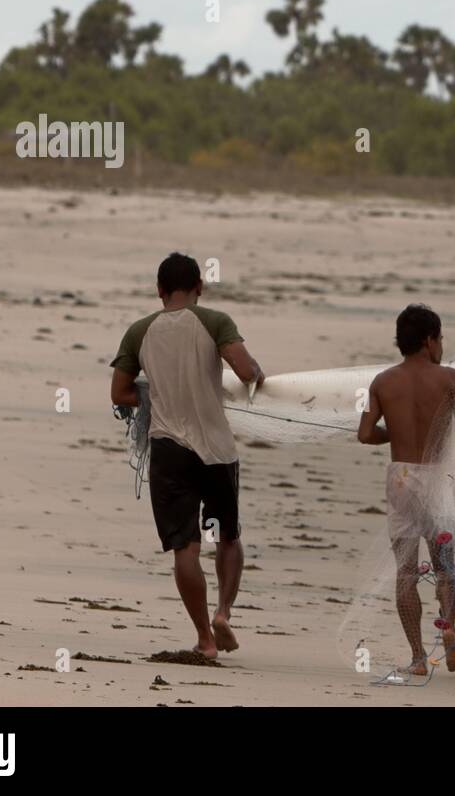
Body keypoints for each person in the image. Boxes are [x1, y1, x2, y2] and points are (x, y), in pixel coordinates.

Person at [109, 252, 263, 659]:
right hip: (215, 449)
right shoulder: (215, 321)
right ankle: (224, 612)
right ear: (199, 287)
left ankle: (205, 639)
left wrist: (152, 394)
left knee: (186, 548)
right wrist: (256, 373)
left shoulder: (139, 332)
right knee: (226, 536)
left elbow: (120, 394)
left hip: (169, 449)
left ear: (160, 291)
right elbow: (246, 371)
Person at [358, 304, 455, 676]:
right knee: (445, 568)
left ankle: (418, 657)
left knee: (406, 572)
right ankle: (449, 626)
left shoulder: (383, 381)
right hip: (439, 477)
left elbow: (365, 434)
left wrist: (396, 434)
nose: (442, 346)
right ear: (428, 340)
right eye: (440, 339)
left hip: (402, 478)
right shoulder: (451, 379)